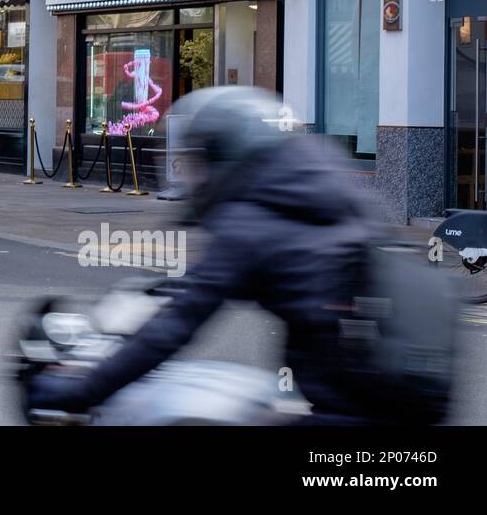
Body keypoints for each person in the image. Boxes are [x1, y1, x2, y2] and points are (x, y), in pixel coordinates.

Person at [22, 86, 446, 426]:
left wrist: (76, 392)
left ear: (225, 158)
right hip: (390, 403)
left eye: (197, 164)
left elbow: (176, 326)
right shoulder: (315, 191)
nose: (192, 176)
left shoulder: (251, 221)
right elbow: (198, 286)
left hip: (349, 414)